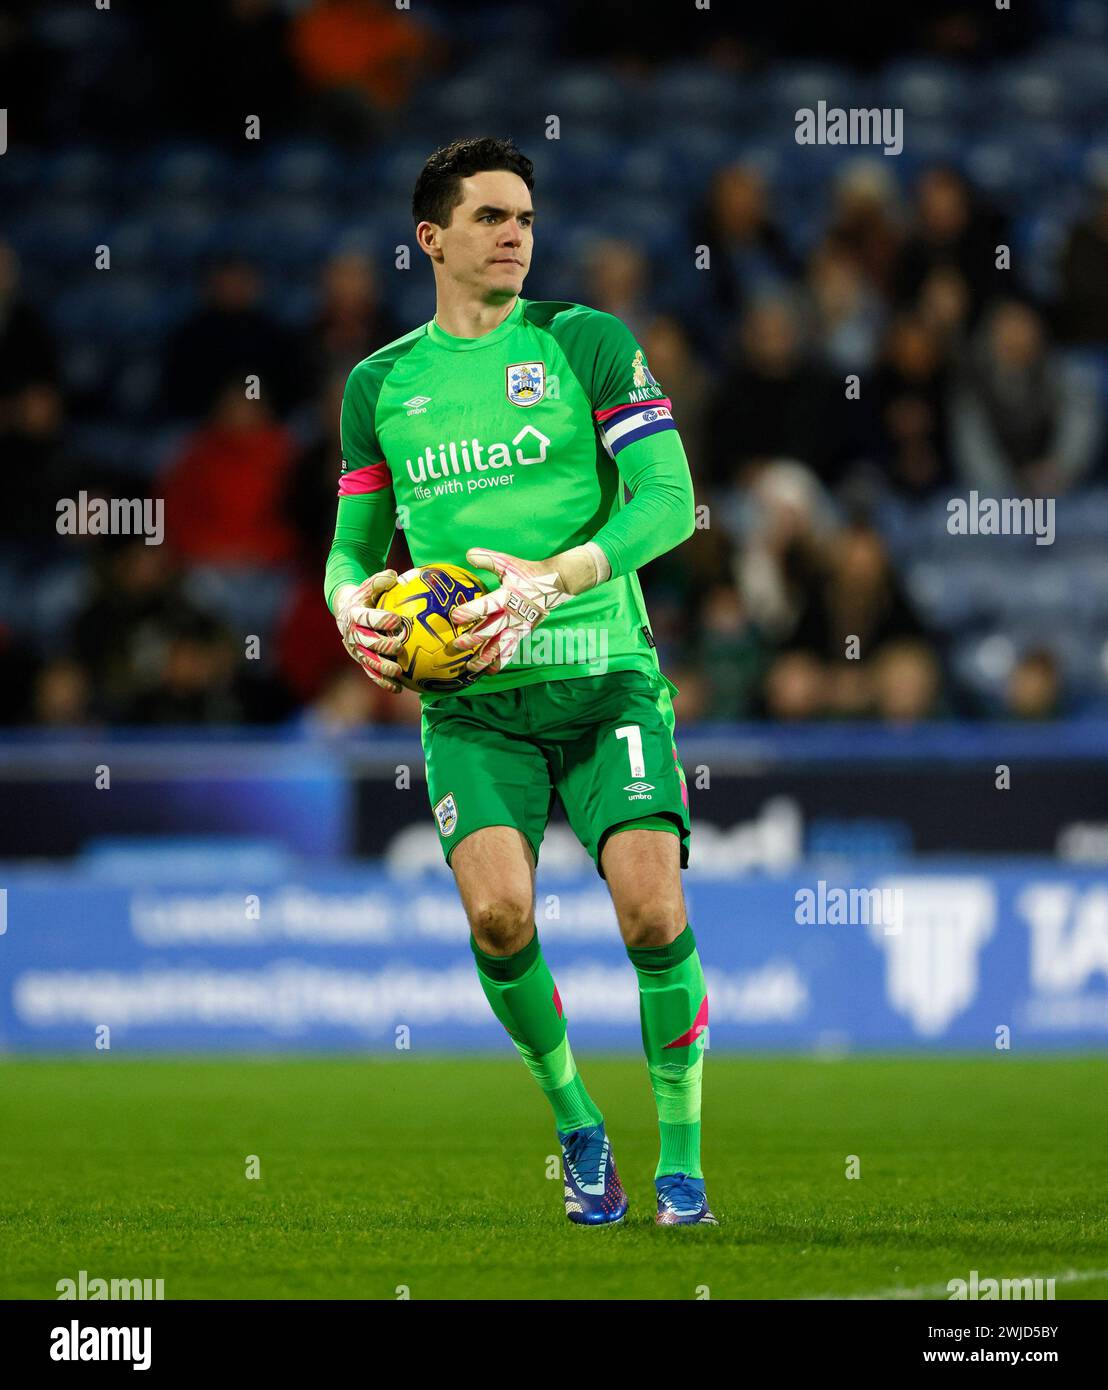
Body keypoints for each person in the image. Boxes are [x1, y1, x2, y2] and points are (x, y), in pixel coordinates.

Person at [323, 137, 714, 1227]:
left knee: (649, 916)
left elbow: (668, 499)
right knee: (499, 918)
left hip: (602, 677)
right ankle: (578, 1127)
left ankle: (680, 1159)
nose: (514, 235)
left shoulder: (585, 342)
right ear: (430, 238)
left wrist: (557, 576)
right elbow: (353, 549)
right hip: (472, 705)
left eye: (526, 219)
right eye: (491, 217)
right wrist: (347, 607)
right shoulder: (380, 385)